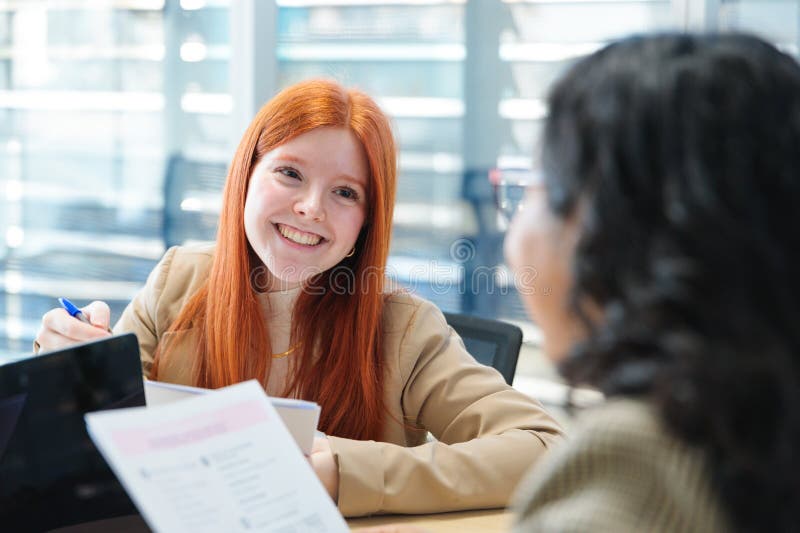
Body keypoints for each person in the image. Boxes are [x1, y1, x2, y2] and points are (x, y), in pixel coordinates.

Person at [35, 79, 563, 517]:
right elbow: (99, 446)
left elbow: (546, 448)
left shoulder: (403, 328)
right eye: (290, 173)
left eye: (345, 193)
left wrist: (344, 472)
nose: (311, 208)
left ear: (366, 222)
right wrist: (69, 368)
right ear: (246, 177)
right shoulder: (179, 281)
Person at [360, 32, 800, 533]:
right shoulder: (759, 432)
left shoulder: (629, 473)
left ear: (612, 233)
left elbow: (533, 441)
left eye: (536, 188)